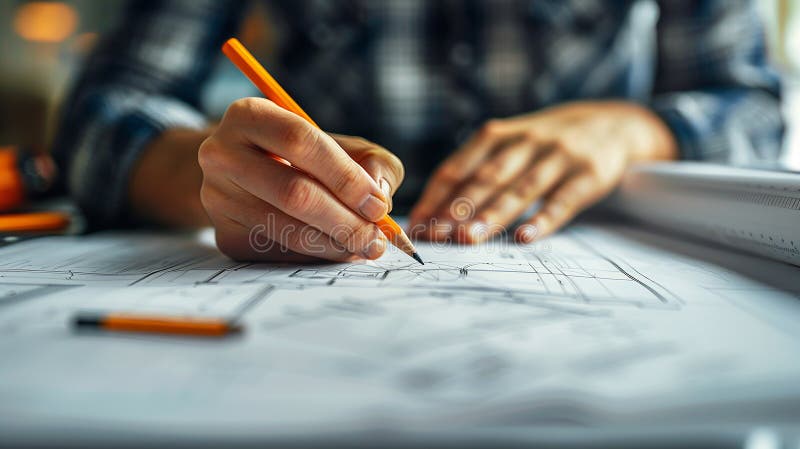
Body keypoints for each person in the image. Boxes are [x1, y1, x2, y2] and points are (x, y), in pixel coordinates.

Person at [54, 0, 783, 262]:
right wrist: (209, 178)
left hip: (602, 237)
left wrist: (632, 130)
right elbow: (103, 115)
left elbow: (754, 107)